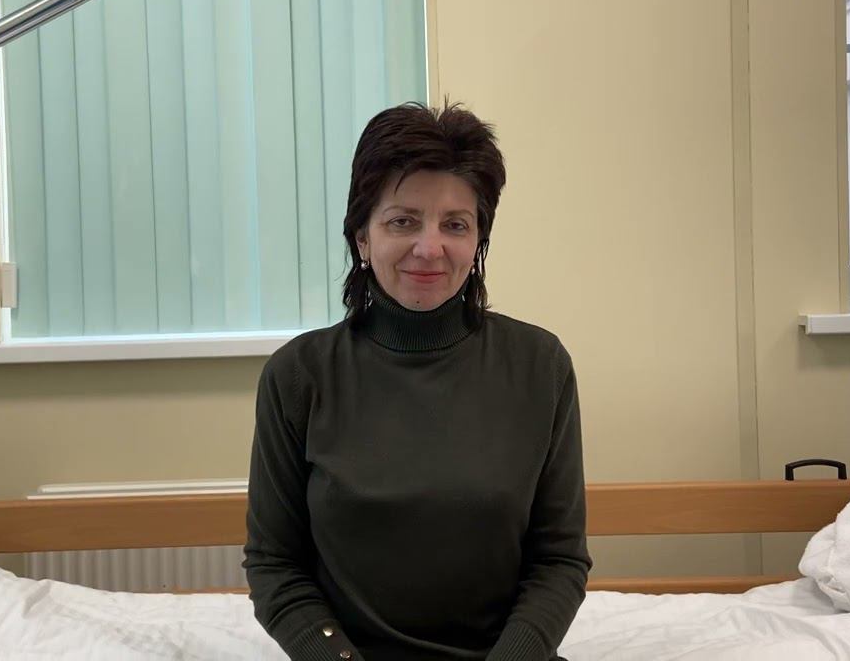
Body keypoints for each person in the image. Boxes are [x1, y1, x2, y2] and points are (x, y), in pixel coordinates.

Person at [244, 102, 591, 661]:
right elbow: (275, 565)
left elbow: (559, 560)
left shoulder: (540, 365)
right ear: (362, 236)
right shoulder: (298, 375)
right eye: (403, 221)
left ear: (478, 240)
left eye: (455, 224)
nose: (430, 248)